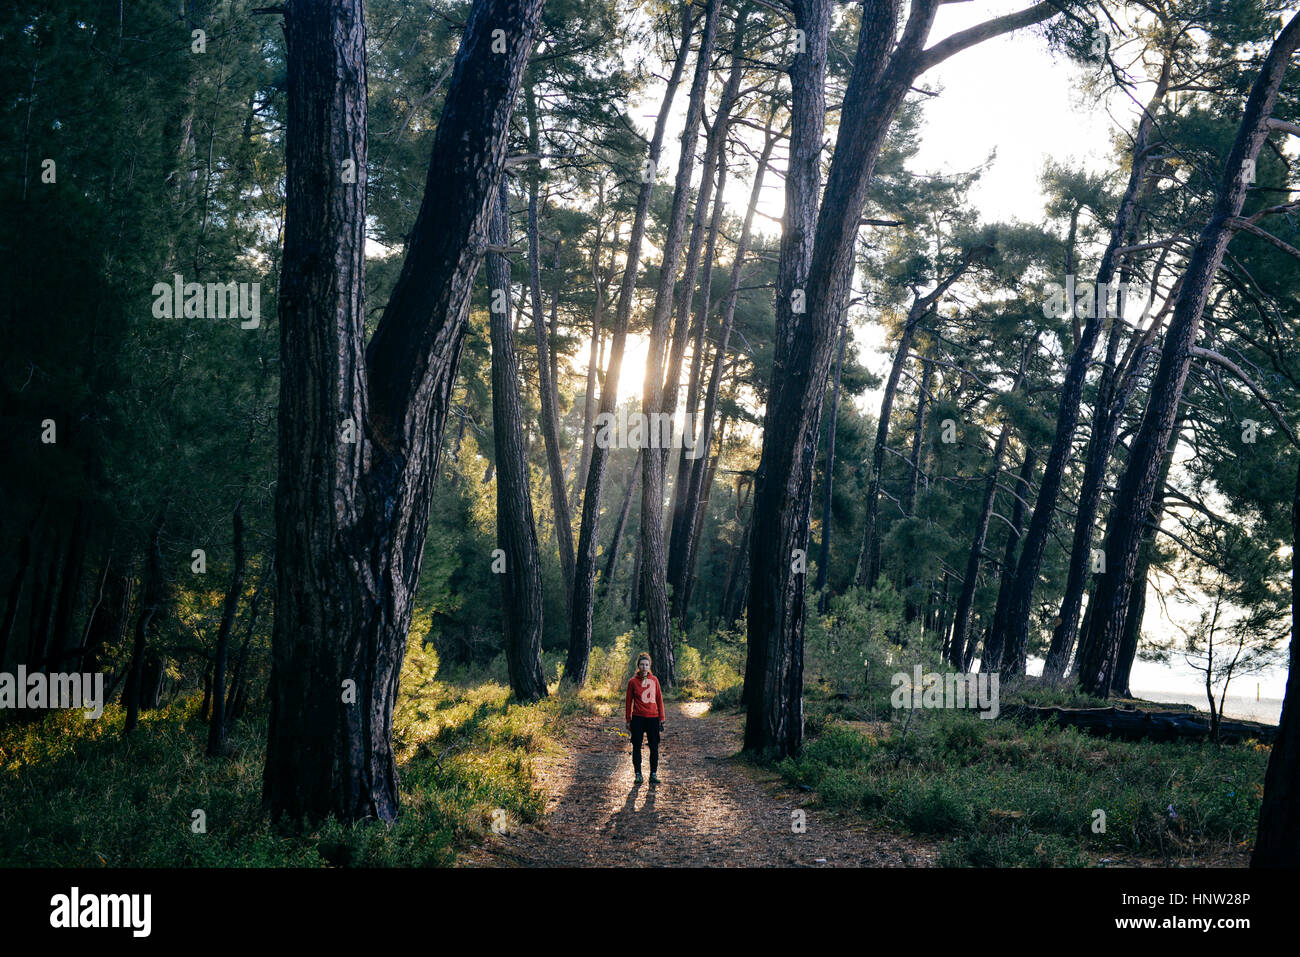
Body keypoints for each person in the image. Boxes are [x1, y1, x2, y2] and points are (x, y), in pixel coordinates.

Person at [624, 652, 665, 785]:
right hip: (638, 718)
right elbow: (628, 701)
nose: (644, 667)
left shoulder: (655, 680)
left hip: (653, 718)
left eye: (646, 664)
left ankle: (653, 774)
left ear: (649, 666)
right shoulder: (632, 682)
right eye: (642, 664)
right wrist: (628, 719)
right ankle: (638, 774)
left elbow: (659, 699)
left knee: (654, 747)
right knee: (636, 746)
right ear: (638, 666)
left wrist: (662, 717)